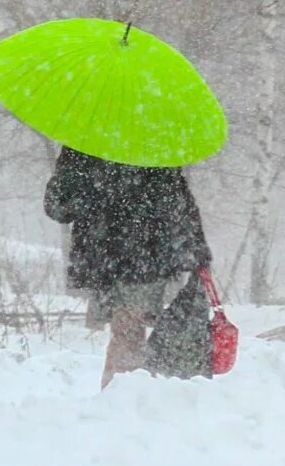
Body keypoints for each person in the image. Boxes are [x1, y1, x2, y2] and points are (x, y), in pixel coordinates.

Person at [44, 145, 213, 386]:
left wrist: (94, 190)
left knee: (127, 332)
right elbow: (176, 200)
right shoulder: (153, 142)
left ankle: (120, 398)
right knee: (128, 332)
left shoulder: (90, 140)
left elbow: (59, 206)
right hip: (133, 258)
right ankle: (123, 399)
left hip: (118, 258)